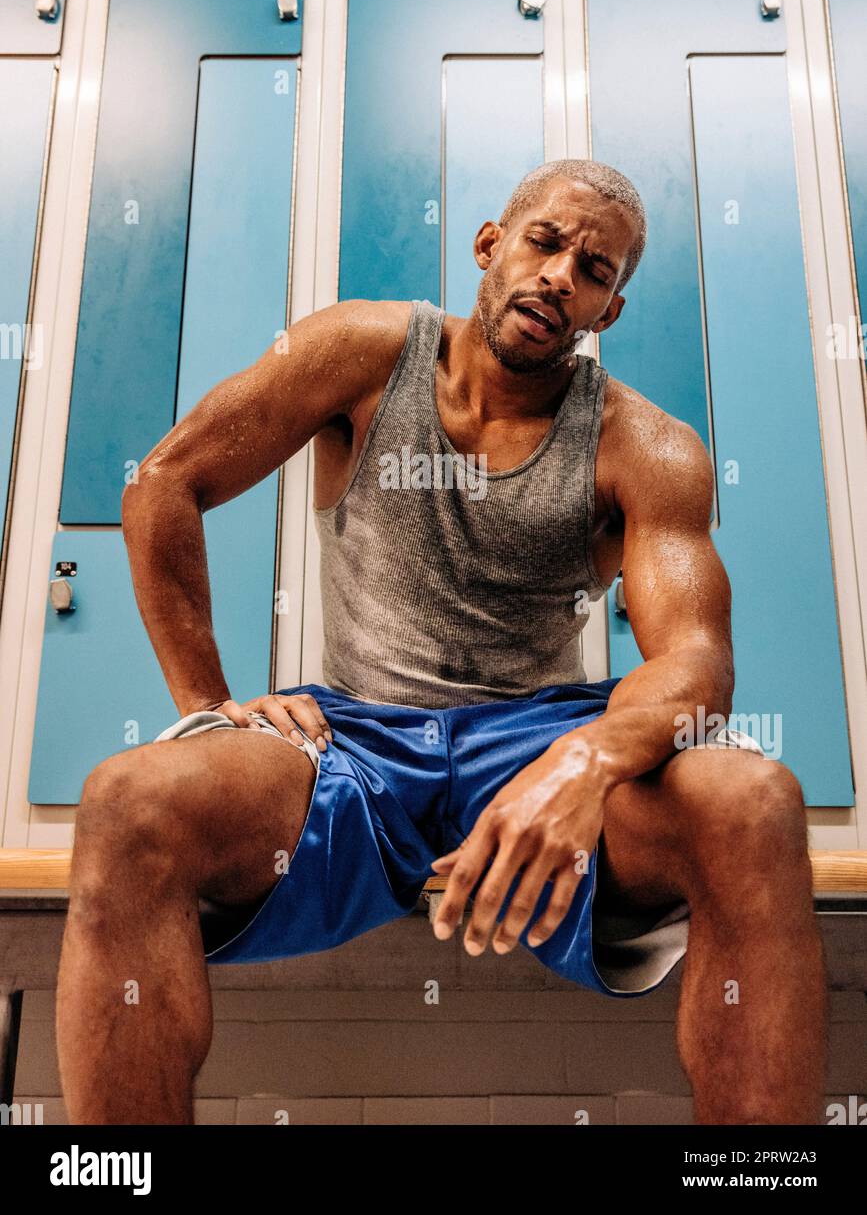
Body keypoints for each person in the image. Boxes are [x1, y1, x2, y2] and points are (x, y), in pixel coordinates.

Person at [55, 159, 825, 1124]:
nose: (559, 276)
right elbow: (164, 482)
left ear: (606, 314)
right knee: (126, 803)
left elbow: (695, 662)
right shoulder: (364, 352)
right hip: (352, 742)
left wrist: (582, 764)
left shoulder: (648, 446)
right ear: (489, 245)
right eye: (545, 242)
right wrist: (207, 709)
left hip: (538, 739)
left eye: (593, 270)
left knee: (751, 802)